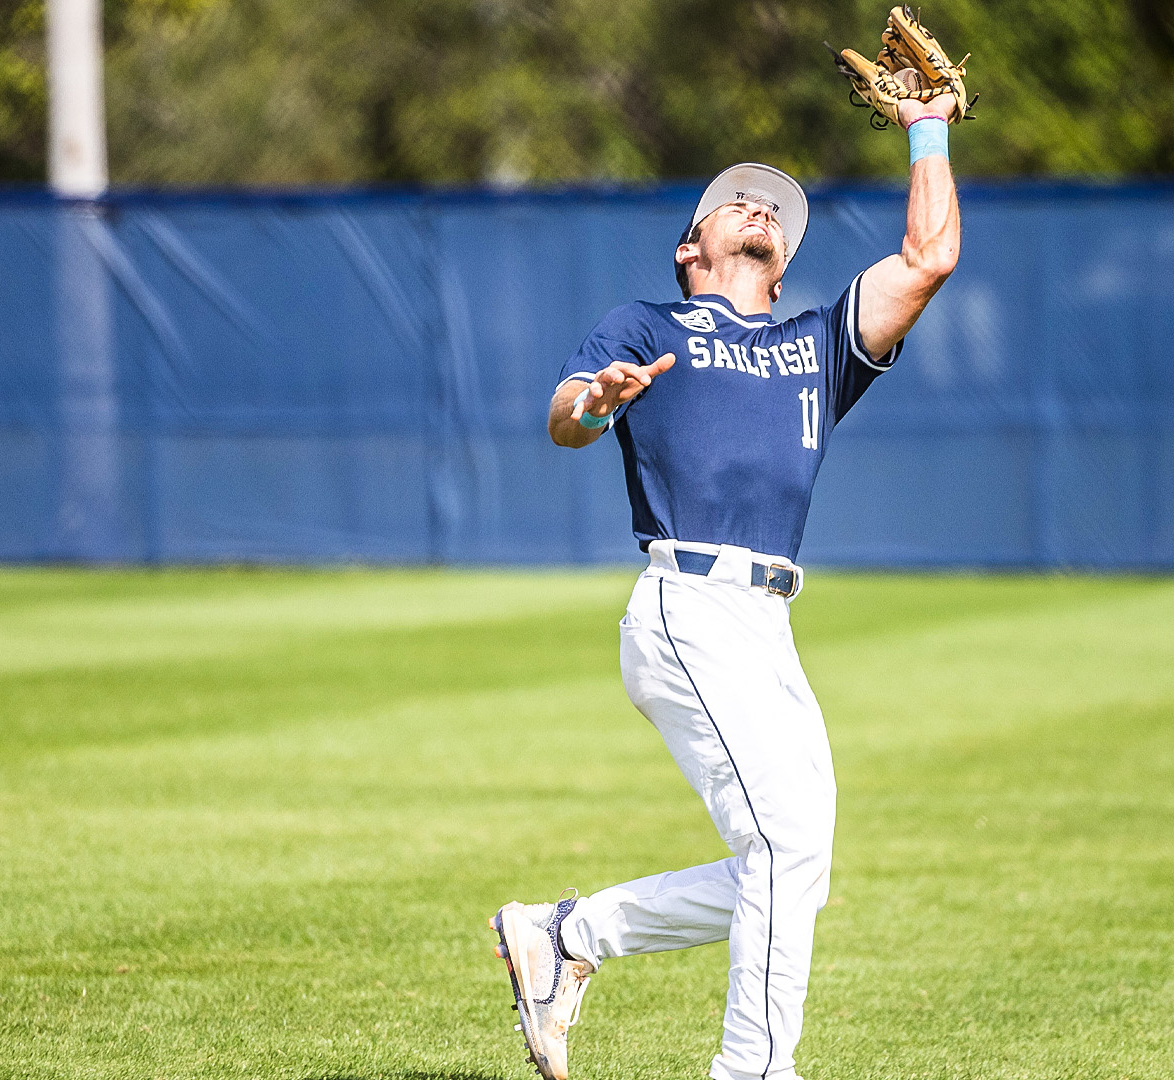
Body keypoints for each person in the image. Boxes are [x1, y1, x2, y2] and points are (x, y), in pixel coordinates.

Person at [489, 85, 962, 1080]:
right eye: (733, 202)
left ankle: (567, 935)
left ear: (784, 257)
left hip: (768, 623)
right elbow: (563, 417)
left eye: (774, 213)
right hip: (687, 604)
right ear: (688, 247)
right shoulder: (647, 322)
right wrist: (599, 400)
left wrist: (927, 131)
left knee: (795, 868)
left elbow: (929, 258)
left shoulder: (817, 347)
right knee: (786, 847)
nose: (759, 211)